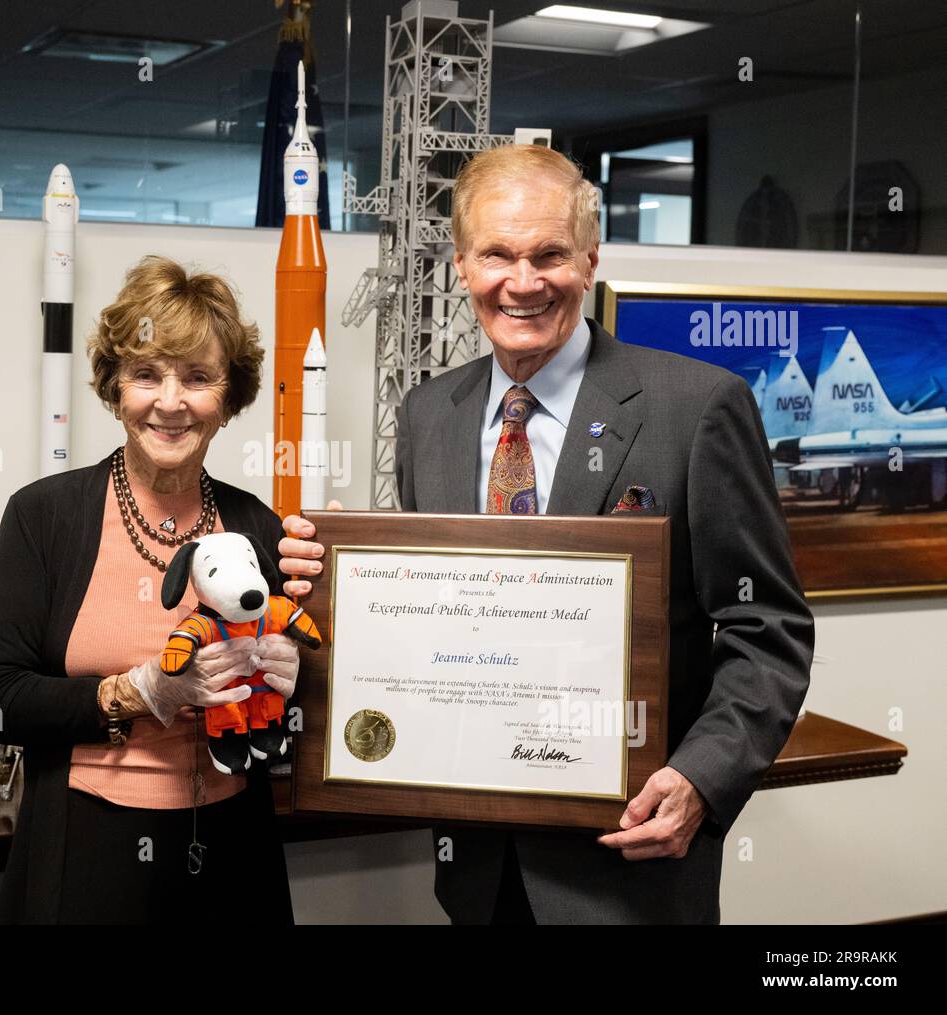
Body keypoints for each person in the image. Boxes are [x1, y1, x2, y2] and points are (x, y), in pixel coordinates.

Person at [279, 144, 814, 924]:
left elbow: (768, 629)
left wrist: (700, 779)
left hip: (627, 871)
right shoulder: (430, 415)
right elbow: (430, 613)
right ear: (462, 265)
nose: (522, 282)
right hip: (477, 873)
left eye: (549, 255)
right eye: (497, 253)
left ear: (590, 259)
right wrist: (325, 586)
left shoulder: (698, 406)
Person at [0, 255, 299, 924]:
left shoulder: (260, 526)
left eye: (199, 377)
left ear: (229, 396)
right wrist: (140, 693)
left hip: (233, 846)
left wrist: (298, 678)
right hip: (88, 846)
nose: (171, 402)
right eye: (147, 374)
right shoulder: (43, 517)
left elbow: (295, 720)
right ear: (116, 387)